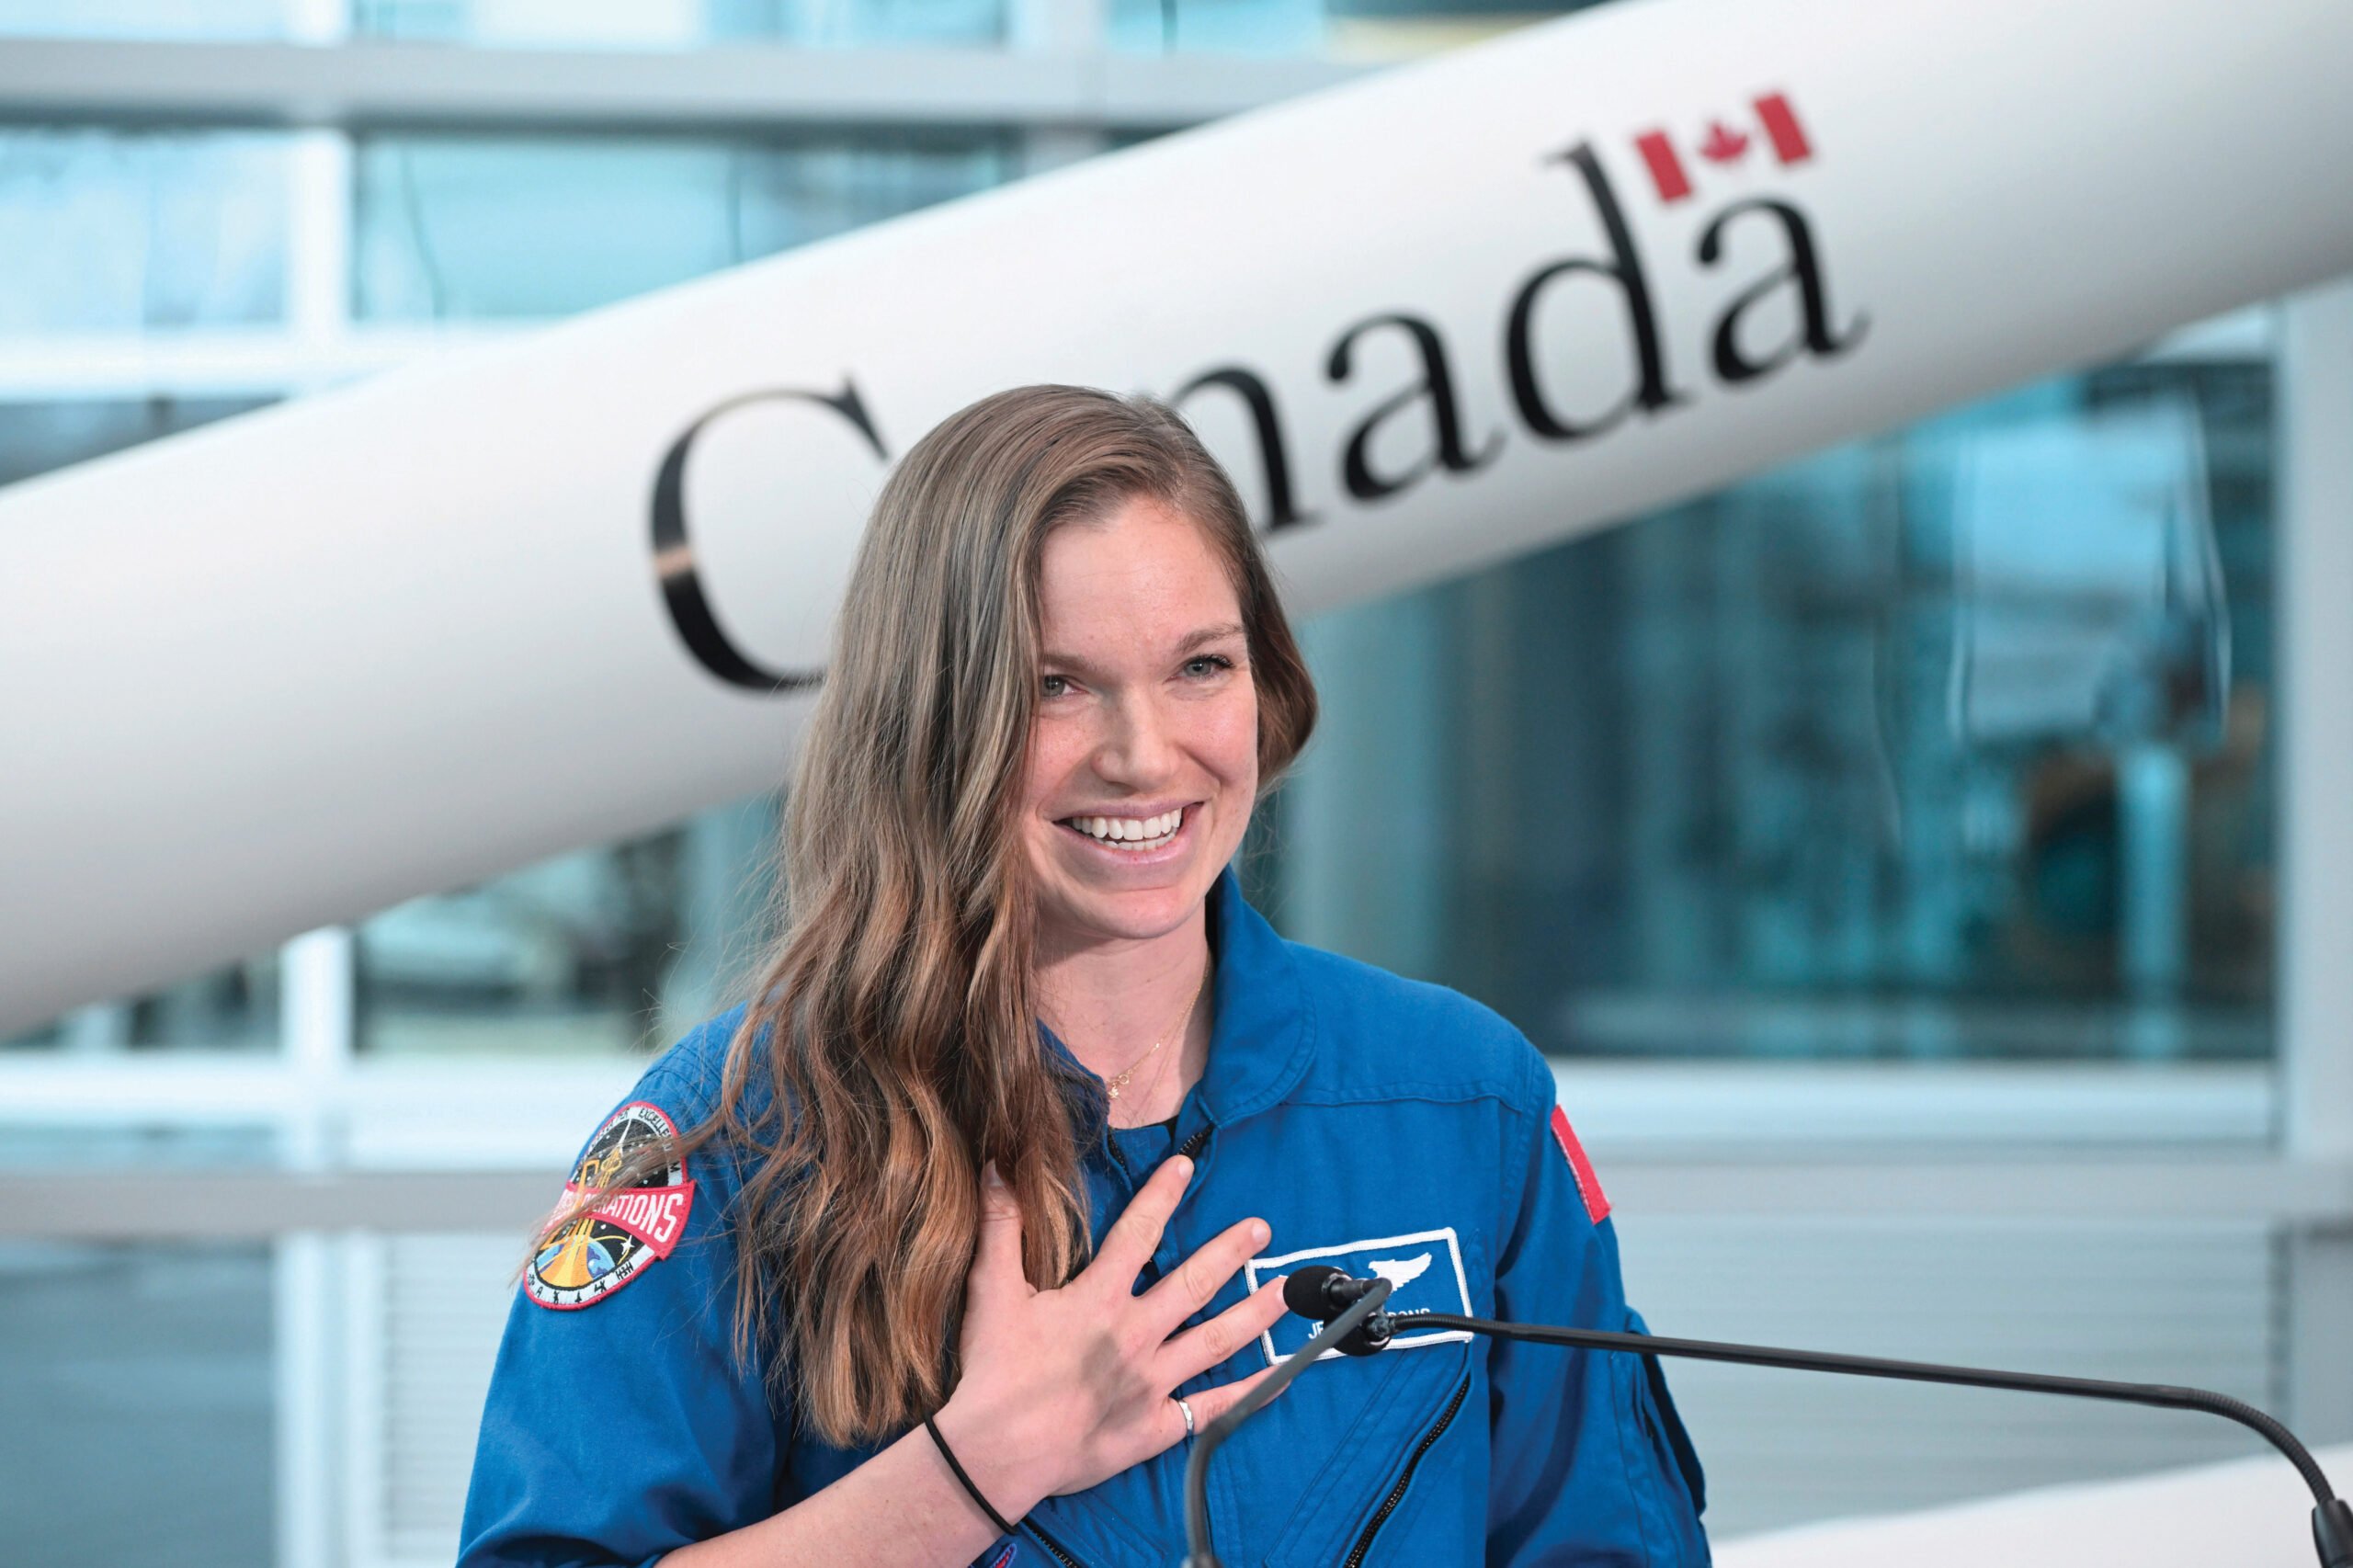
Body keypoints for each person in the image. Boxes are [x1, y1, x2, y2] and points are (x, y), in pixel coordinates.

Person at [457, 385, 1709, 1567]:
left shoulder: (1464, 1105)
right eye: (1056, 685)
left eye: (1200, 666)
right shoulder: (733, 1140)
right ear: (931, 718)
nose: (1143, 752)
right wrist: (972, 1467)